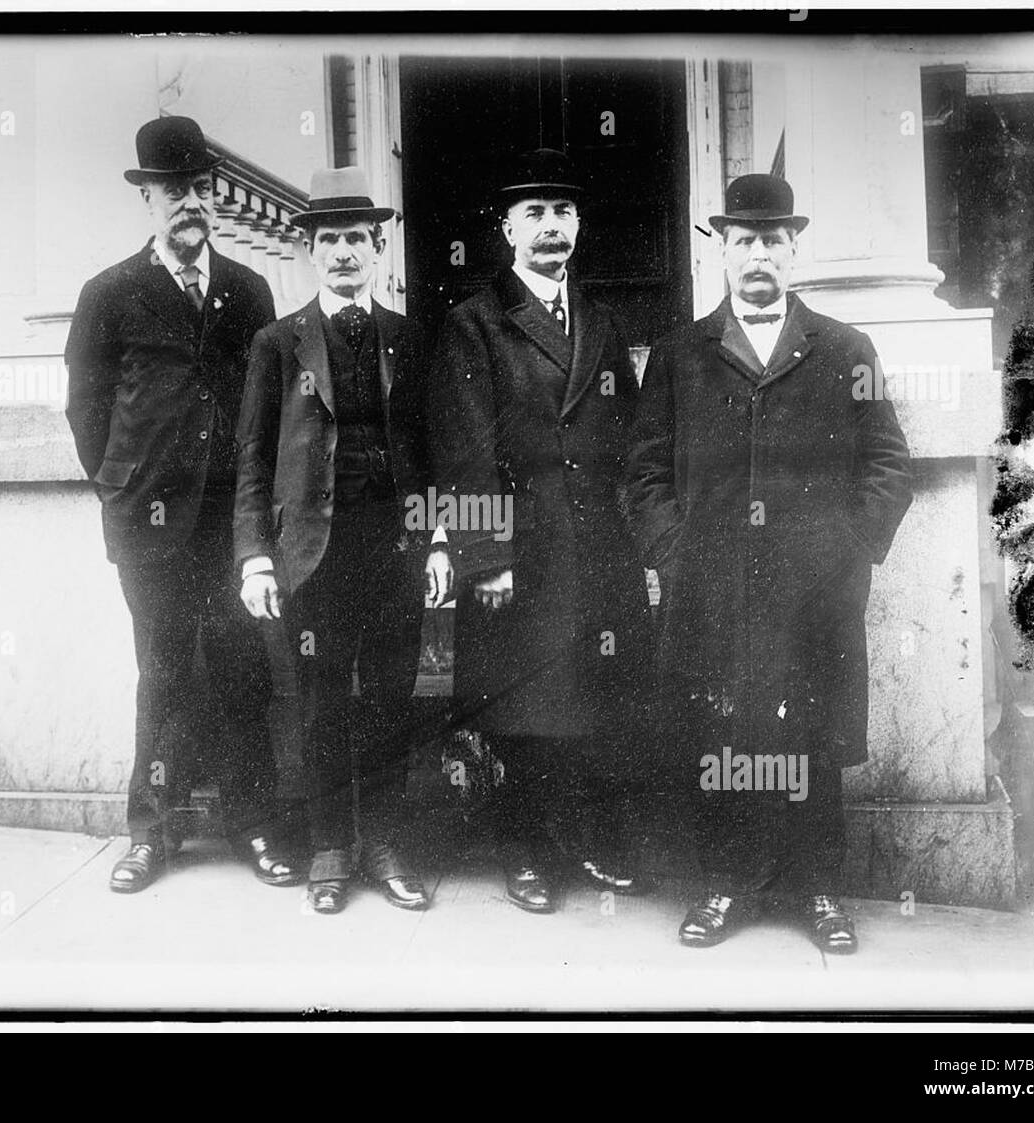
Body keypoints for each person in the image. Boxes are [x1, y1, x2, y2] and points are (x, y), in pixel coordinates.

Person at [626, 173, 914, 952]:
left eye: (773, 240)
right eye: (744, 240)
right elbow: (647, 472)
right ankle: (726, 882)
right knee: (725, 732)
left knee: (812, 730)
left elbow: (888, 463)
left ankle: (820, 889)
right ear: (722, 248)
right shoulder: (683, 353)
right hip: (713, 586)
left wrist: (852, 552)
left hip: (815, 588)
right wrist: (674, 555)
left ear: (795, 250)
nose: (759, 255)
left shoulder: (846, 349)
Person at [64, 115, 301, 893]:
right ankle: (151, 832)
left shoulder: (247, 289)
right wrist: (124, 487)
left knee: (243, 669)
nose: (190, 204)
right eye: (174, 192)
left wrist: (256, 515)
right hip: (150, 527)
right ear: (149, 201)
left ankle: (254, 824)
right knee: (162, 673)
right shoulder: (109, 294)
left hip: (233, 524)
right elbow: (86, 413)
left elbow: (267, 410)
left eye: (201, 189)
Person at [426, 148, 653, 914]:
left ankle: (581, 839)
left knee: (591, 699)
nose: (550, 228)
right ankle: (523, 850)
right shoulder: (474, 323)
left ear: (579, 225)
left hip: (599, 548)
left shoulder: (602, 320)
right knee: (524, 705)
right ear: (507, 229)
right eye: (534, 215)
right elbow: (463, 452)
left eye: (562, 213)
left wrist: (640, 543)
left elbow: (630, 440)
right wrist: (485, 555)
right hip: (522, 554)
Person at [234, 167, 448, 915]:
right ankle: (331, 846)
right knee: (321, 699)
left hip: (394, 547)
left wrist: (442, 542)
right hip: (312, 554)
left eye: (357, 237)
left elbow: (432, 450)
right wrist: (255, 555)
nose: (344, 252)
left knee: (391, 698)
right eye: (330, 240)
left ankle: (385, 843)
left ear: (378, 245)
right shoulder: (278, 343)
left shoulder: (407, 337)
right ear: (310, 251)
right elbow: (254, 459)